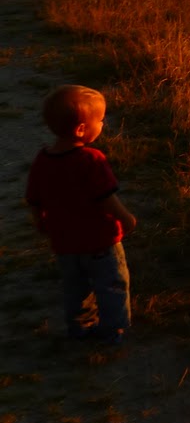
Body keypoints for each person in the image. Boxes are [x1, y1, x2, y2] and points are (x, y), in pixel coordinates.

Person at [25, 84, 136, 346]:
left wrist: (40, 221)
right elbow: (106, 198)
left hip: (64, 241)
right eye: (100, 119)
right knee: (112, 285)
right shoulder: (91, 160)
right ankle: (112, 331)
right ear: (81, 129)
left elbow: (33, 199)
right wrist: (126, 218)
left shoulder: (43, 160)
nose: (103, 123)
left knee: (76, 287)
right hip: (99, 241)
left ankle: (79, 327)